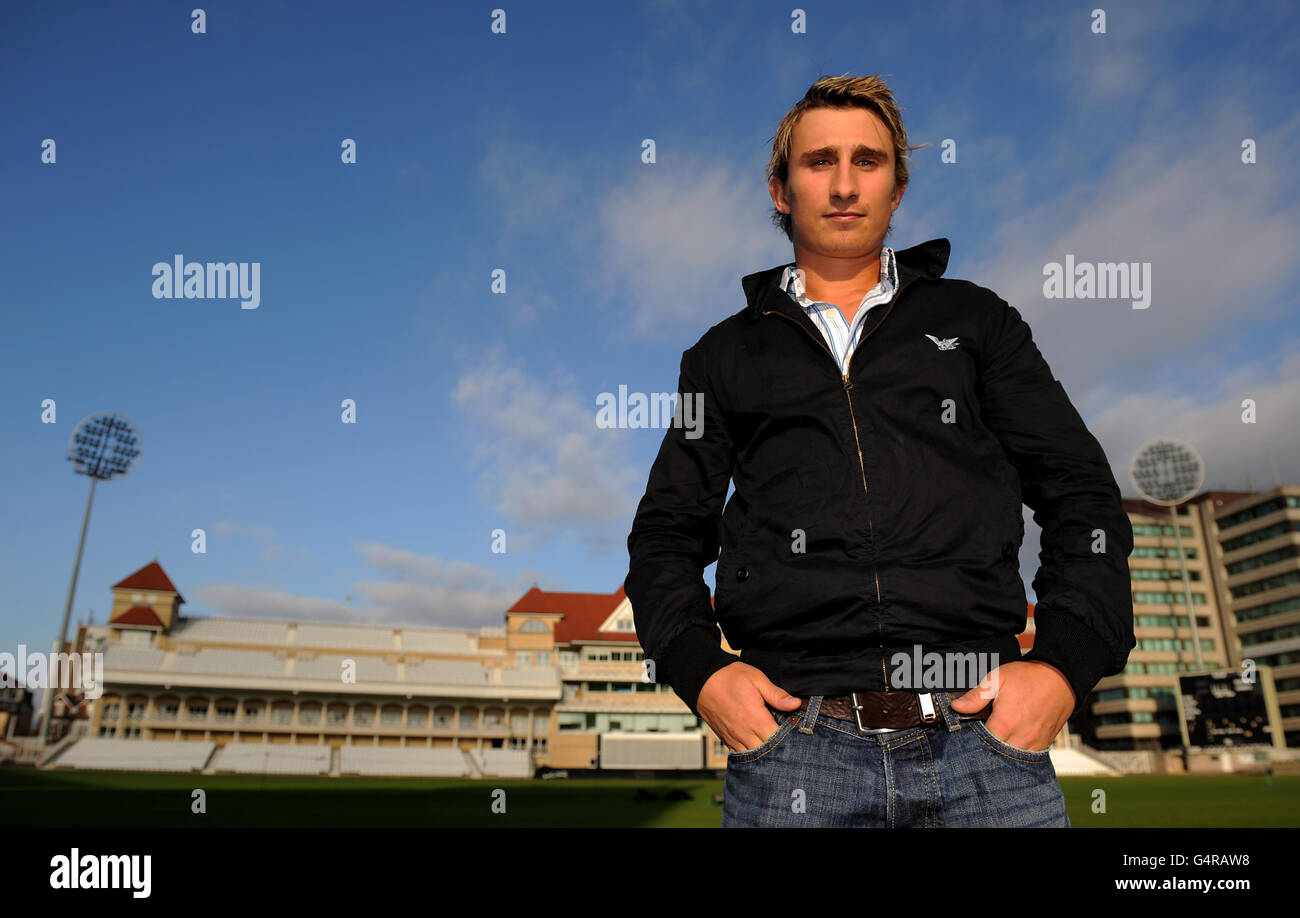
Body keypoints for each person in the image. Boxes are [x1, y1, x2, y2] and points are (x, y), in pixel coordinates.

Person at [624, 74, 1135, 827]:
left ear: (896, 190)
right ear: (779, 187)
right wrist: (703, 674)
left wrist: (1064, 664)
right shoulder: (722, 357)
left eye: (868, 161)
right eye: (818, 161)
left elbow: (1080, 496)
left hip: (984, 743)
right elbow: (666, 535)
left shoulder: (976, 321)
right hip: (794, 752)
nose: (842, 184)